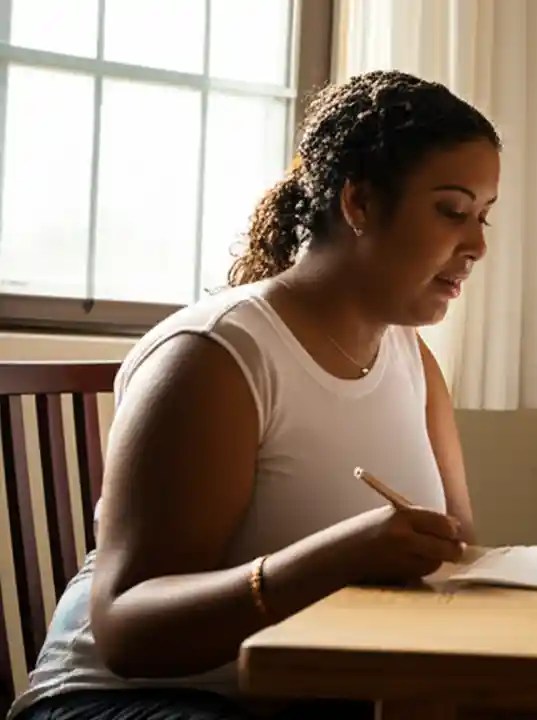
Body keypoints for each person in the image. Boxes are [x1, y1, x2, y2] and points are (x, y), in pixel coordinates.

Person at [10, 70, 500, 720]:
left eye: (484, 218)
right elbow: (128, 631)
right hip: (136, 701)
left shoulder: (413, 361)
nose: (478, 246)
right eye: (452, 211)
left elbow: (455, 553)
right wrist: (330, 561)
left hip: (307, 698)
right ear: (358, 205)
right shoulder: (213, 358)